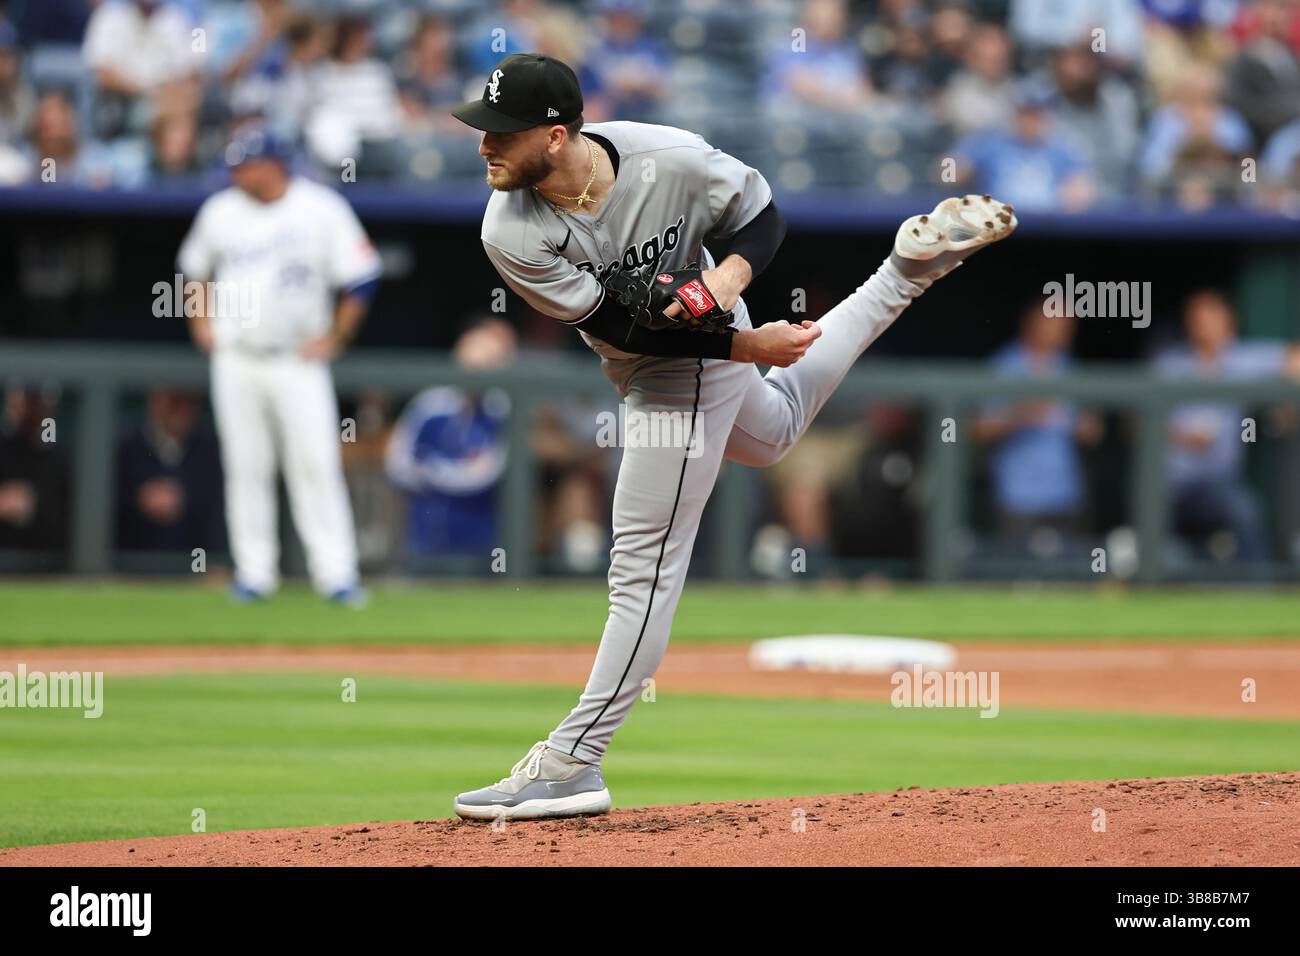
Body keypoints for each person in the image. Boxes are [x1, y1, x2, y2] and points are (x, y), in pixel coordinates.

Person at [447, 53, 1016, 820]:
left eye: (500, 133)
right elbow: (618, 326)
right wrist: (749, 347)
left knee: (642, 569)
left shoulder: (664, 156)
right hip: (664, 355)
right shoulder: (507, 229)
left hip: (692, 360)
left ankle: (574, 761)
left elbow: (763, 216)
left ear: (554, 136)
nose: (483, 145)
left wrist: (726, 287)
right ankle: (903, 275)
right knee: (774, 431)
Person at [177, 124, 380, 605]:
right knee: (246, 466)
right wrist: (201, 325)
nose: (237, 173)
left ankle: (336, 574)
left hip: (296, 359)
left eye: (246, 164)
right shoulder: (220, 210)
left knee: (315, 463)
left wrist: (337, 335)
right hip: (237, 357)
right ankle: (254, 573)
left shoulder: (320, 207)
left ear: (273, 165)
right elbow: (193, 270)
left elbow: (363, 276)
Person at [1154, 290, 1296, 567]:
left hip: (1219, 483)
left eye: (1209, 318)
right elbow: (1135, 422)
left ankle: (1256, 590)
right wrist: (1182, 435)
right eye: (1196, 319)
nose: (1202, 325)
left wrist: (1287, 402)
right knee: (1168, 555)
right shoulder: (1170, 363)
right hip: (1171, 485)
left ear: (1228, 321)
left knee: (1244, 510)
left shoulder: (1241, 360)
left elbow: (1293, 358)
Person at [972, 304, 1103, 556]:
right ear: (1032, 323)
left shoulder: (1070, 368)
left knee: (1067, 575)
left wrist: (1084, 426)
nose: (1060, 332)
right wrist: (1022, 414)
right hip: (1018, 495)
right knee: (1018, 574)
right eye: (1054, 323)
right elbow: (977, 428)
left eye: (1066, 326)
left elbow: (1095, 431)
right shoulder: (1005, 366)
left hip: (1065, 494)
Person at [115, 389, 224, 554]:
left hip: (195, 563)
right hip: (130, 563)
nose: (183, 410)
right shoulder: (125, 444)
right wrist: (139, 498)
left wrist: (212, 564)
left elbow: (216, 512)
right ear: (155, 402)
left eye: (190, 403)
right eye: (175, 402)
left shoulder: (209, 447)